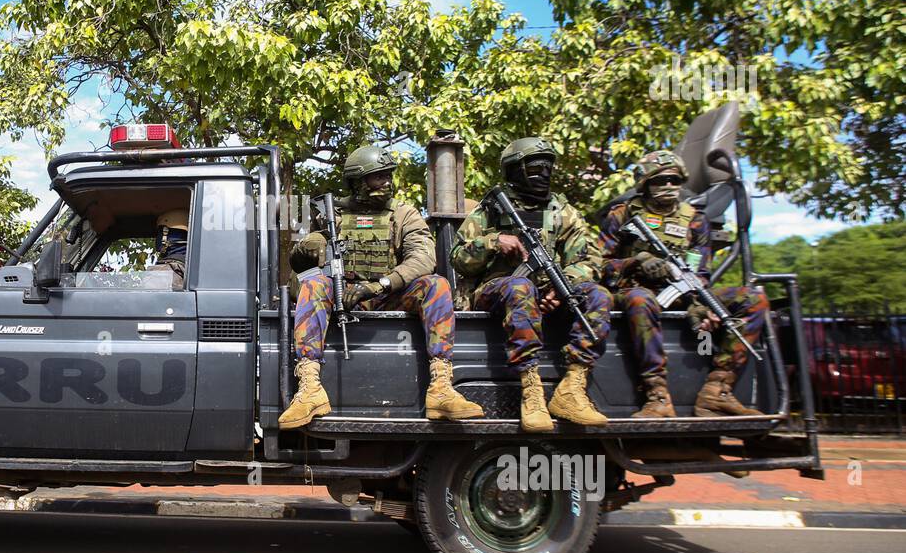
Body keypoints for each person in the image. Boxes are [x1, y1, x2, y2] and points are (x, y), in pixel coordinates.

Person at [278, 144, 484, 428]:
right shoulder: (331, 213)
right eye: (378, 177)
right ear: (357, 182)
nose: (386, 182)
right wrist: (308, 249)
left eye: (388, 175)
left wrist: (379, 285)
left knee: (435, 285)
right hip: (342, 295)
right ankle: (310, 388)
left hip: (388, 294)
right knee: (313, 285)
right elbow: (300, 270)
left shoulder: (403, 214)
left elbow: (423, 257)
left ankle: (441, 388)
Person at [451, 137, 612, 432]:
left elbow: (589, 260)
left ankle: (572, 387)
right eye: (538, 167)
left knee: (598, 295)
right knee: (519, 287)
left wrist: (561, 290)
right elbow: (458, 258)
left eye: (550, 167)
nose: (546, 174)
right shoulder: (489, 211)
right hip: (498, 291)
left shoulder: (563, 212)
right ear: (515, 170)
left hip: (551, 292)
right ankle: (531, 389)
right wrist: (492, 242)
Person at [598, 149, 770, 417]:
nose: (669, 186)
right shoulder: (622, 214)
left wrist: (699, 304)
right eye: (661, 180)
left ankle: (718, 390)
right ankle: (657, 395)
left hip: (683, 290)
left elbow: (701, 271)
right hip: (636, 292)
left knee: (753, 297)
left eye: (675, 181)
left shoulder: (695, 219)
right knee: (640, 299)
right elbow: (599, 266)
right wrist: (637, 262)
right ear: (645, 183)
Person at [146, 207, 188, 290]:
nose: (157, 238)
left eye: (160, 233)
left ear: (167, 235)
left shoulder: (161, 274)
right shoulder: (197, 271)